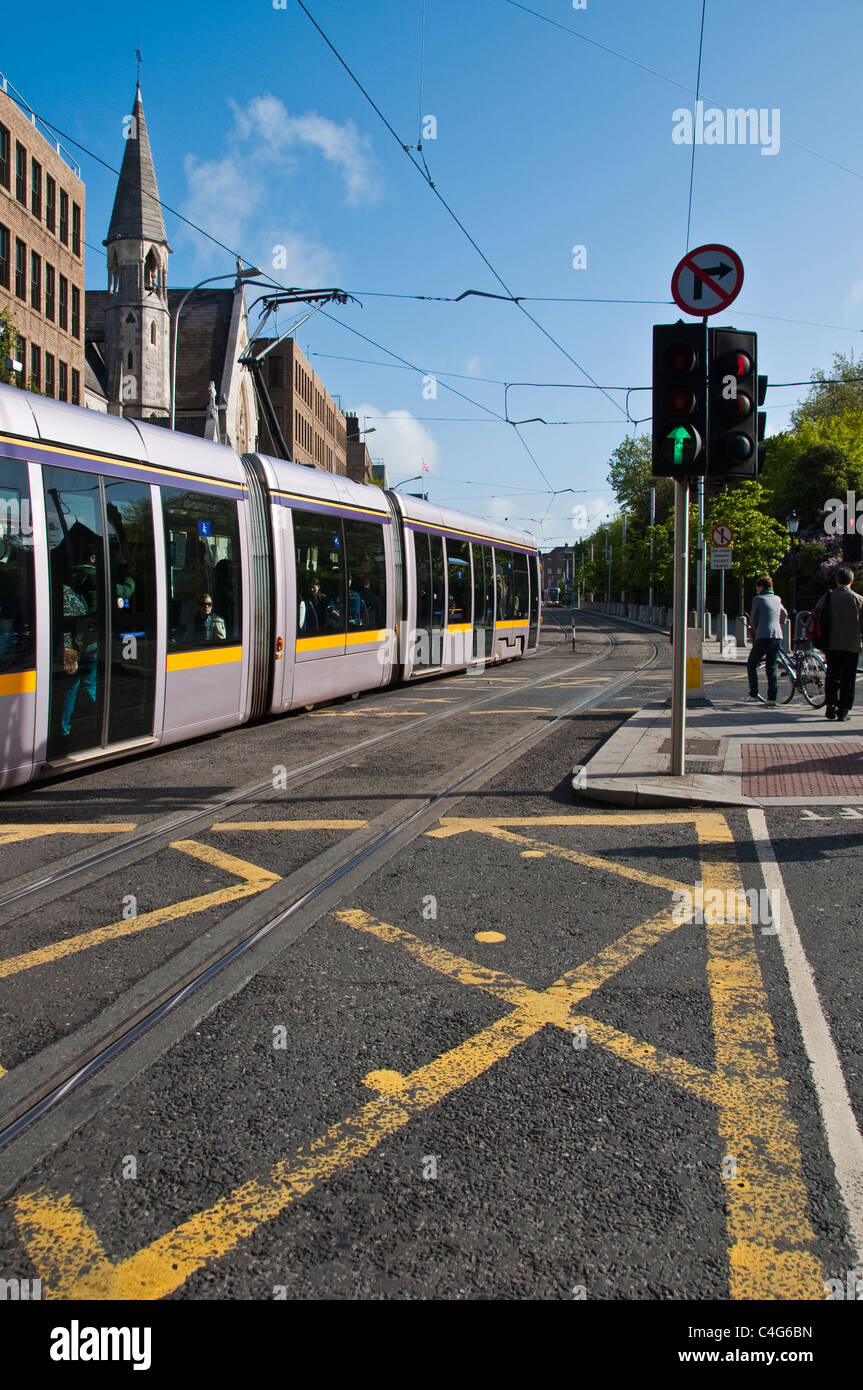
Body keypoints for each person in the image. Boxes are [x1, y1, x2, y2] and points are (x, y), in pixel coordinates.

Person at [811, 566, 863, 721]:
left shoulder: (827, 597)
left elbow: (816, 615)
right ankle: (843, 710)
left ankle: (830, 705)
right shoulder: (858, 599)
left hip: (831, 643)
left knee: (832, 676)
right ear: (852, 581)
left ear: (837, 581)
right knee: (848, 678)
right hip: (851, 644)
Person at [747, 575, 787, 706]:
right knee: (771, 667)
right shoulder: (777, 598)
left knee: (752, 664)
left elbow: (753, 618)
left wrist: (755, 629)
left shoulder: (758, 599)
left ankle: (753, 694)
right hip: (777, 636)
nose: (756, 590)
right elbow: (784, 613)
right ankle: (772, 698)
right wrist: (780, 622)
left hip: (763, 635)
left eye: (757, 587)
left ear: (761, 587)